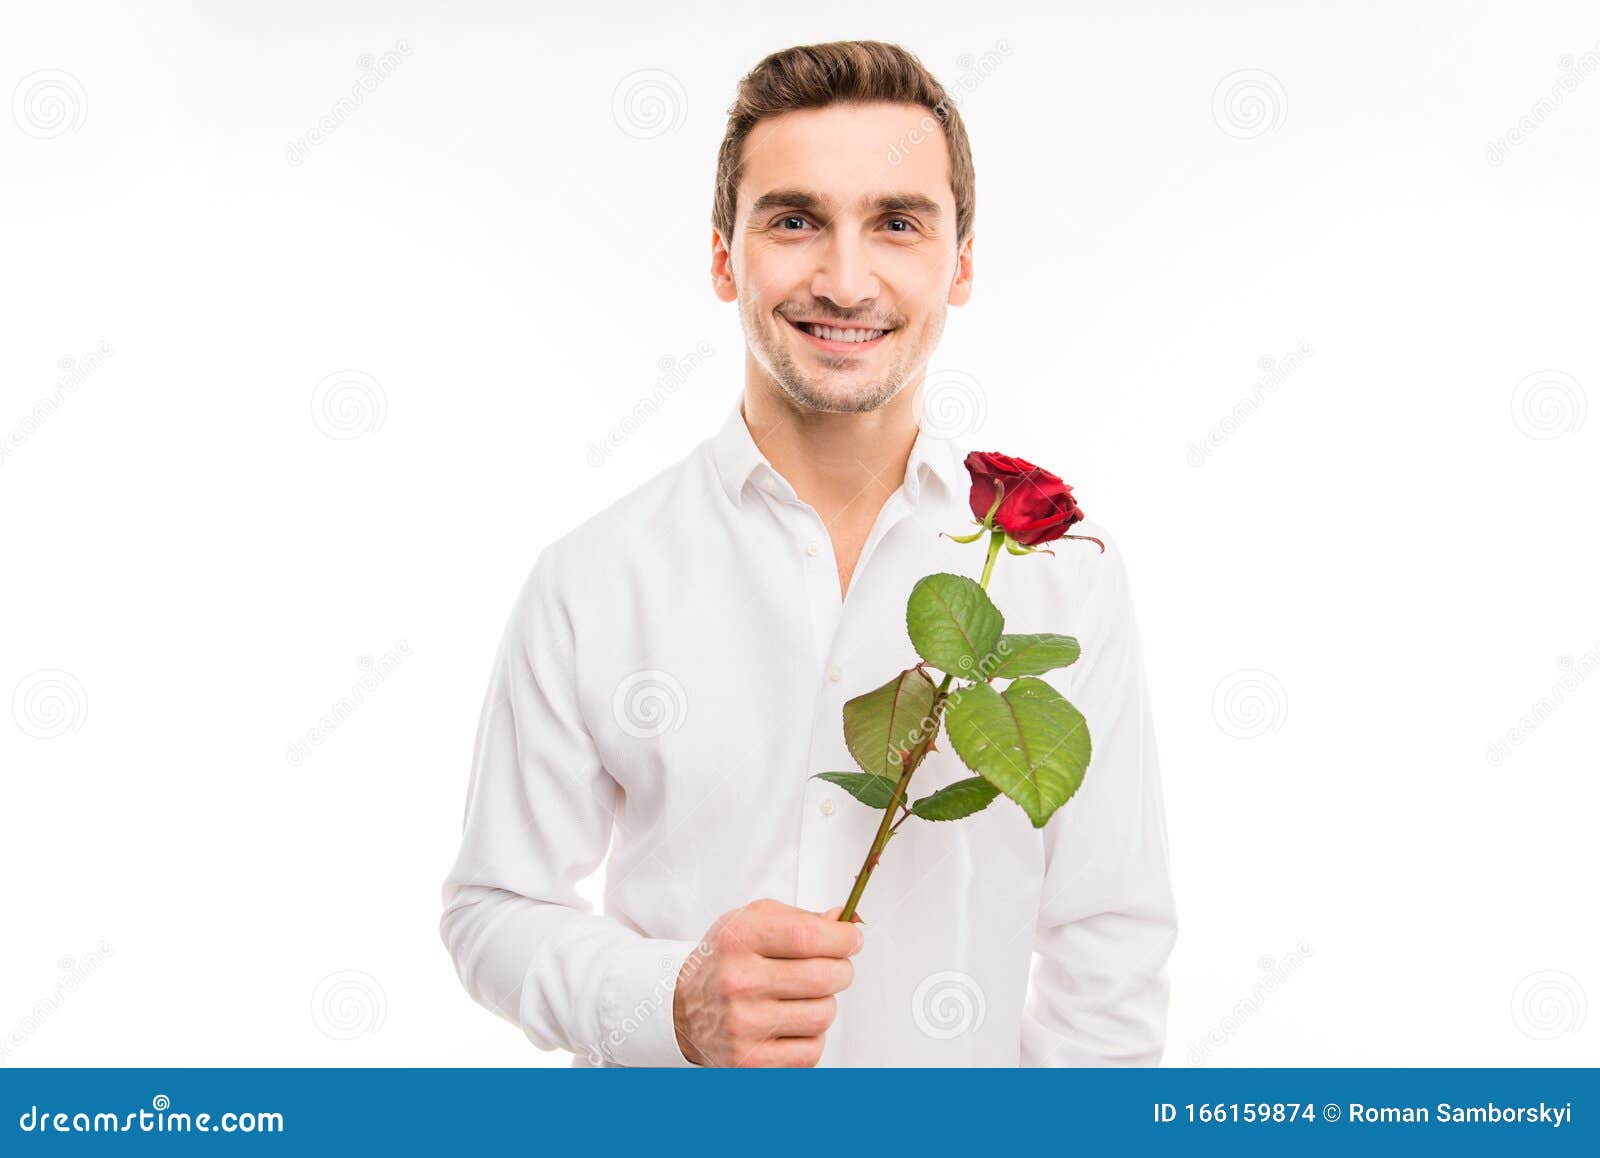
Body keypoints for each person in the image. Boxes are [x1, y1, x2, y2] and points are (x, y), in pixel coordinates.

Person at [440, 39, 1177, 1067]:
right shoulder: (593, 578)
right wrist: (671, 1000)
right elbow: (492, 908)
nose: (845, 280)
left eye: (897, 224)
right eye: (794, 221)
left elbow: (1109, 941)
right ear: (722, 256)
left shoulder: (1062, 575)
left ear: (961, 262)